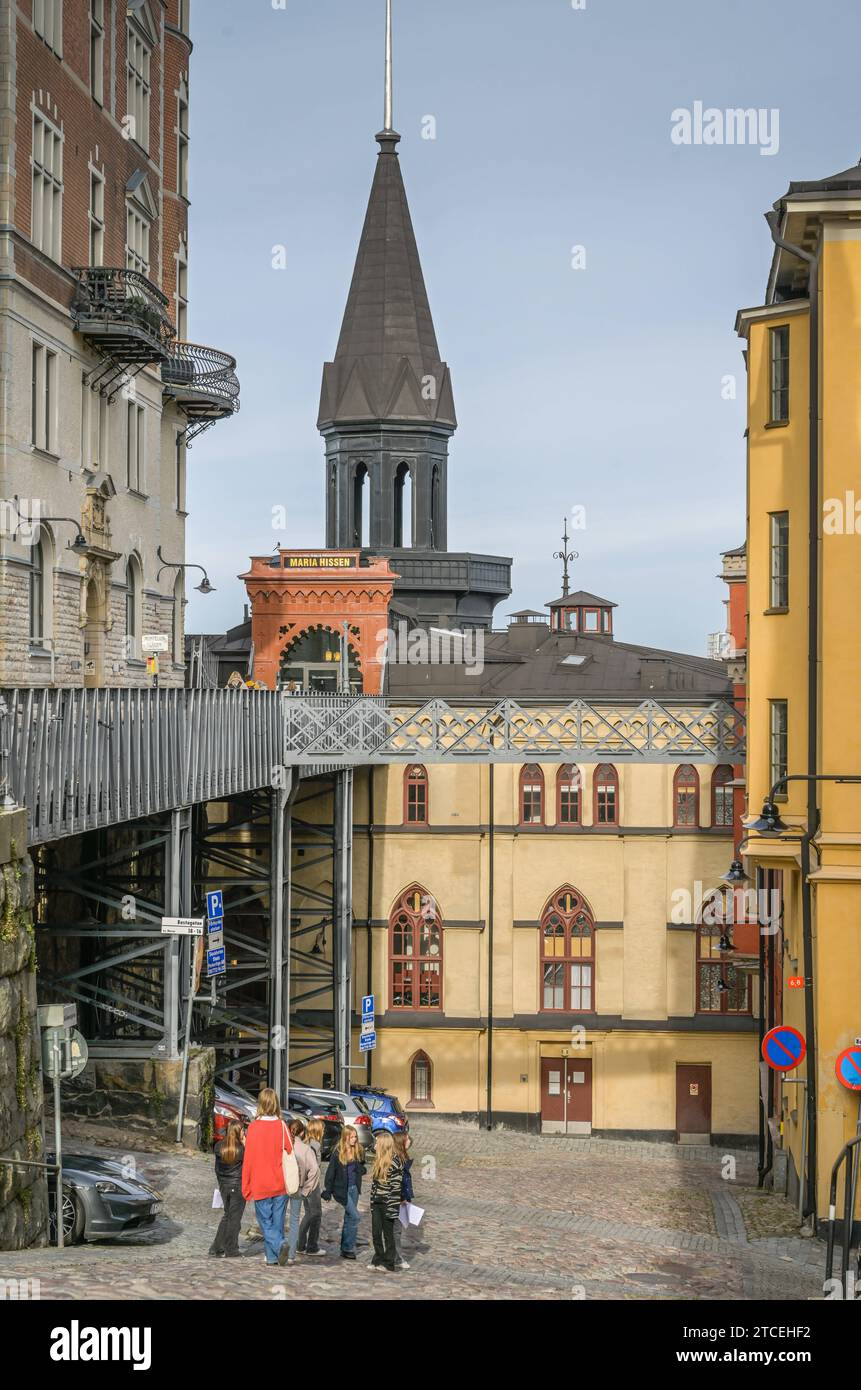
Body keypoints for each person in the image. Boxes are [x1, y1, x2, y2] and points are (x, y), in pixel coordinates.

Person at [241, 1087, 293, 1266]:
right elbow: (290, 1150)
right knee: (277, 1222)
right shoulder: (281, 1125)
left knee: (265, 1223)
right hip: (280, 1181)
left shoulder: (254, 1127)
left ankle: (279, 1245)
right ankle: (272, 1257)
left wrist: (245, 1185)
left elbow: (248, 1159)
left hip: (260, 1182)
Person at [322, 1124, 366, 1260]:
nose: (354, 1139)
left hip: (354, 1188)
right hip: (342, 1190)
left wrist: (361, 1170)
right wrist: (327, 1191)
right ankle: (348, 1247)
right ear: (346, 1137)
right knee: (355, 1216)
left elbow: (361, 1166)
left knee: (349, 1218)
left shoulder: (358, 1150)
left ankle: (345, 1249)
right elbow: (331, 1173)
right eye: (352, 1137)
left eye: (355, 1137)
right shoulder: (338, 1152)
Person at [209, 1119, 246, 1258]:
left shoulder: (219, 1146)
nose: (244, 1132)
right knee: (234, 1219)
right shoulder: (241, 1149)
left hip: (224, 1186)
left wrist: (222, 1183)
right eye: (242, 1130)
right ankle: (231, 1249)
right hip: (238, 1186)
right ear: (238, 1131)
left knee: (227, 1216)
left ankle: (217, 1247)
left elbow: (217, 1169)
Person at [369, 1131, 404, 1273]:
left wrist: (392, 1209)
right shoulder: (378, 1161)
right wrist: (372, 1202)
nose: (375, 1145)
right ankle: (378, 1257)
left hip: (388, 1203)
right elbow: (374, 1185)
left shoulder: (395, 1163)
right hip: (377, 1202)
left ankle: (389, 1262)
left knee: (388, 1234)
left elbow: (395, 1189)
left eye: (377, 1143)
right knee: (376, 1233)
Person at [285, 1117, 319, 1264]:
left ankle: (274, 1250)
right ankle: (291, 1254)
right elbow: (315, 1170)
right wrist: (307, 1189)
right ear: (302, 1133)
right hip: (298, 1188)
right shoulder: (305, 1149)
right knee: (294, 1221)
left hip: (281, 1187)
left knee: (279, 1219)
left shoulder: (283, 1145)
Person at [297, 1117, 325, 1257]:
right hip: (311, 1185)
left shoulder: (306, 1143)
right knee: (315, 1214)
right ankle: (311, 1246)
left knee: (309, 1213)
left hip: (305, 1183)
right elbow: (313, 1168)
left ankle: (300, 1244)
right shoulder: (314, 1145)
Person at [392, 1131, 414, 1270]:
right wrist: (402, 1198)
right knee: (396, 1231)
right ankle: (396, 1258)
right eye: (406, 1140)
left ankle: (394, 1256)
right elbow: (397, 1182)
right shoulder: (397, 1161)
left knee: (396, 1230)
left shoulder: (402, 1158)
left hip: (402, 1199)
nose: (409, 1142)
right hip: (397, 1200)